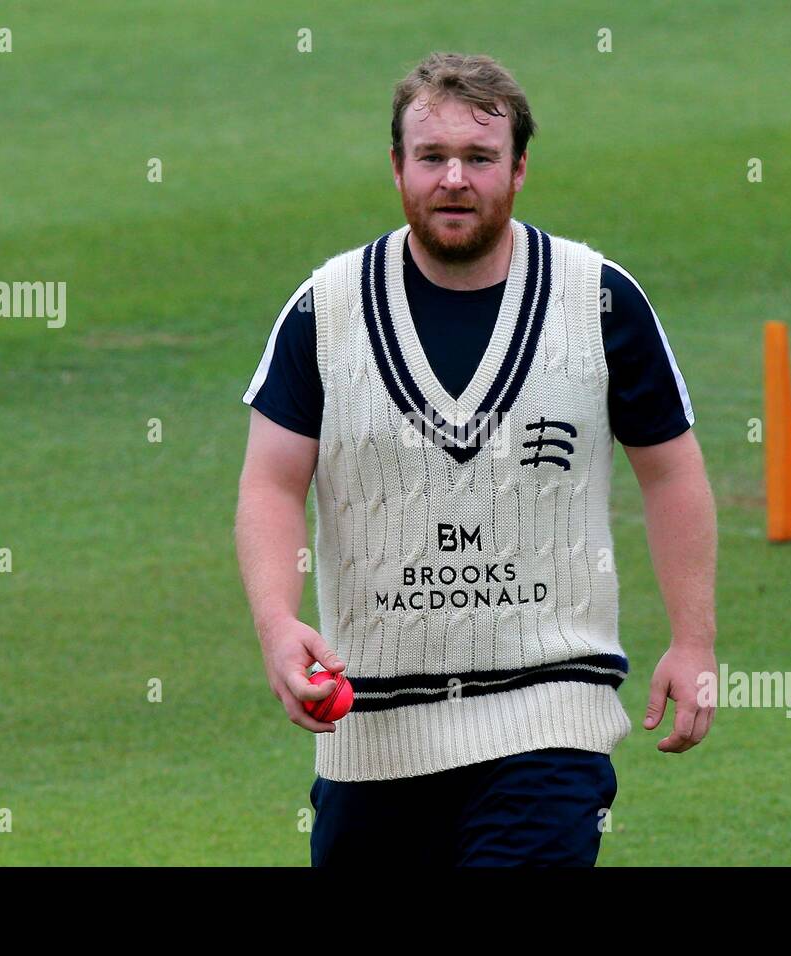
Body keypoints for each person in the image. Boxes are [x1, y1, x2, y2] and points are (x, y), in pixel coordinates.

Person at [235, 51, 718, 866]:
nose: (454, 178)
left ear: (519, 169)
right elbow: (271, 483)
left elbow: (672, 472)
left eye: (480, 158)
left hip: (548, 716)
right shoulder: (327, 308)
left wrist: (694, 640)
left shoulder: (596, 300)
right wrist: (279, 625)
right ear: (397, 168)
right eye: (431, 157)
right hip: (373, 738)